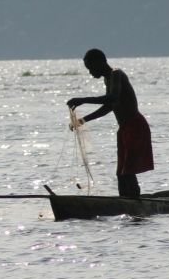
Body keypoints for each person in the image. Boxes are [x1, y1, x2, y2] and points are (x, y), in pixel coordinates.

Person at [66, 49, 153, 197]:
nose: (90, 72)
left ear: (100, 62)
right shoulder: (108, 79)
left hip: (135, 126)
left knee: (128, 171)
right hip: (124, 129)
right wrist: (82, 120)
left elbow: (112, 98)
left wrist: (82, 99)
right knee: (121, 172)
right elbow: (108, 107)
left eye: (91, 68)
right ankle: (124, 202)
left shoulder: (116, 74)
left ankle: (135, 204)